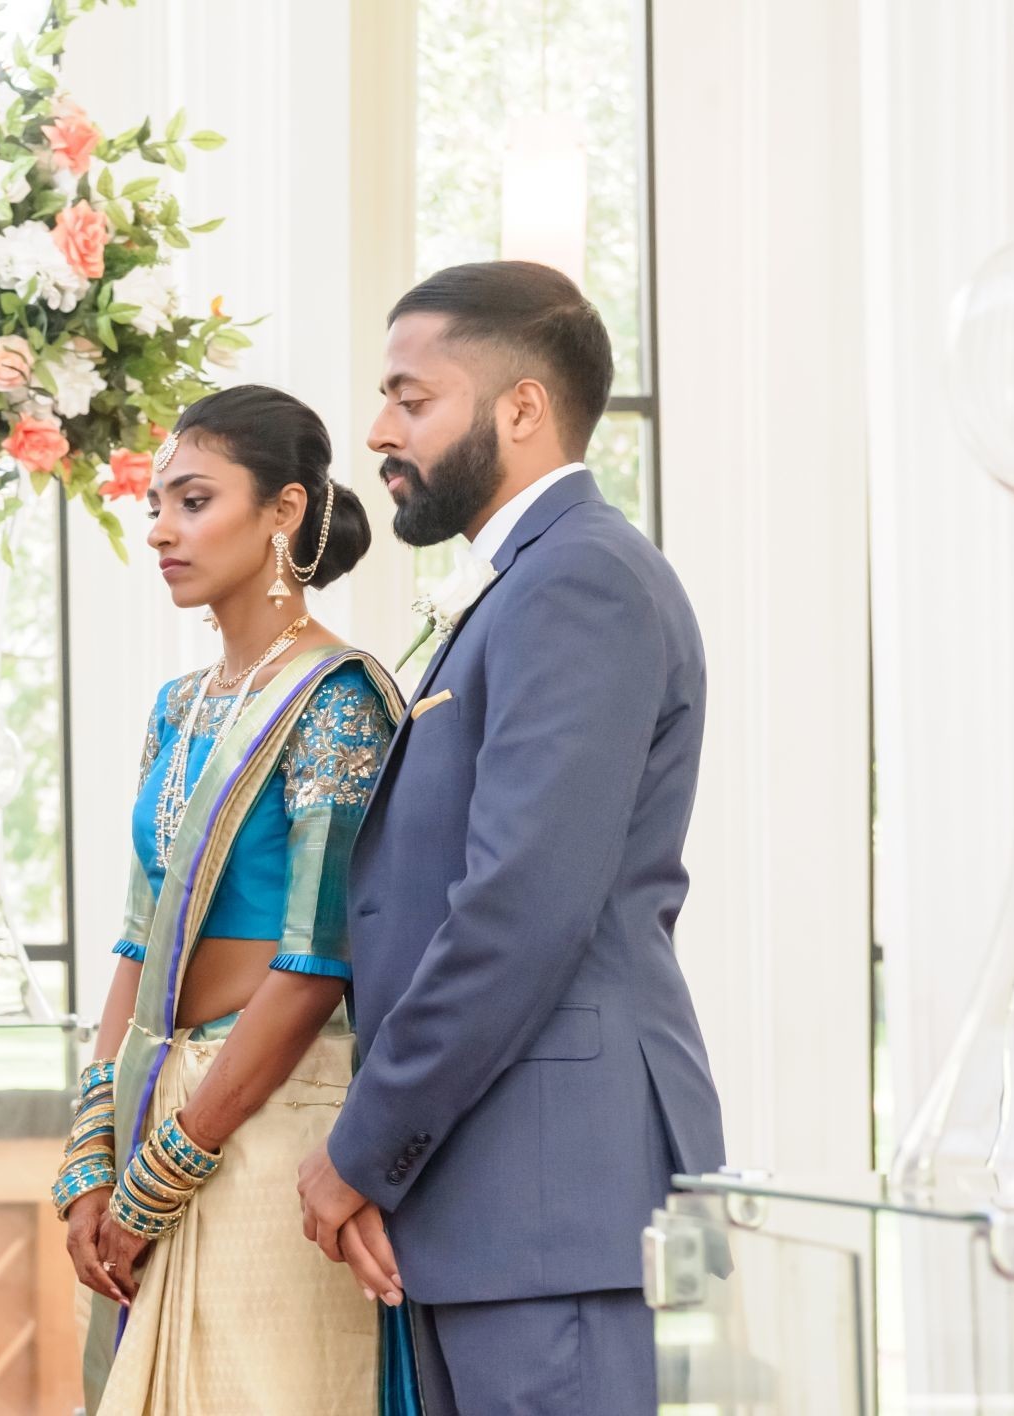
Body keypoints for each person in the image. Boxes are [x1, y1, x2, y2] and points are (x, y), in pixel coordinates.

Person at [297, 260, 727, 1415]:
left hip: (554, 1204)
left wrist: (360, 1146)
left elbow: (519, 908)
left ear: (521, 409)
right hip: (497, 1203)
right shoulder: (522, 584)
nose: (380, 430)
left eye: (411, 397)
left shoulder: (577, 578)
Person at [55, 384, 414, 1413]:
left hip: (268, 1132)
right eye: (157, 504)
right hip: (155, 1102)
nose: (161, 529)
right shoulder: (179, 706)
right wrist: (91, 1150)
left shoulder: (335, 697)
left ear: (283, 512)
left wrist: (160, 1177)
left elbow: (313, 966)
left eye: (193, 501)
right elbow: (136, 937)